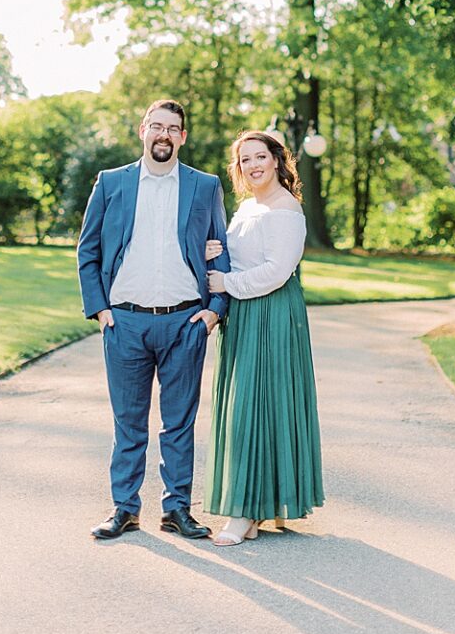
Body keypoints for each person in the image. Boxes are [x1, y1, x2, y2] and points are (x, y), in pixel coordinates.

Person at [78, 99, 231, 541]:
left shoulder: (205, 187)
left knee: (179, 423)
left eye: (173, 129)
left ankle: (177, 509)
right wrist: (101, 310)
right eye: (156, 126)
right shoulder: (111, 184)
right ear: (142, 130)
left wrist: (213, 313)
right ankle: (125, 508)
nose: (164, 135)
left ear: (183, 137)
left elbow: (223, 252)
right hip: (124, 323)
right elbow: (87, 251)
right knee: (128, 422)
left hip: (186, 323)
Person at [201, 130, 324, 547]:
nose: (253, 165)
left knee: (257, 407)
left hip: (271, 314)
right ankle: (252, 508)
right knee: (247, 406)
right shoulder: (247, 206)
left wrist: (225, 281)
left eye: (260, 157)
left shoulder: (285, 209)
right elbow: (239, 254)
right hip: (246, 311)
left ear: (276, 161)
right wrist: (213, 255)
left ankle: (243, 512)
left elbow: (276, 271)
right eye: (244, 160)